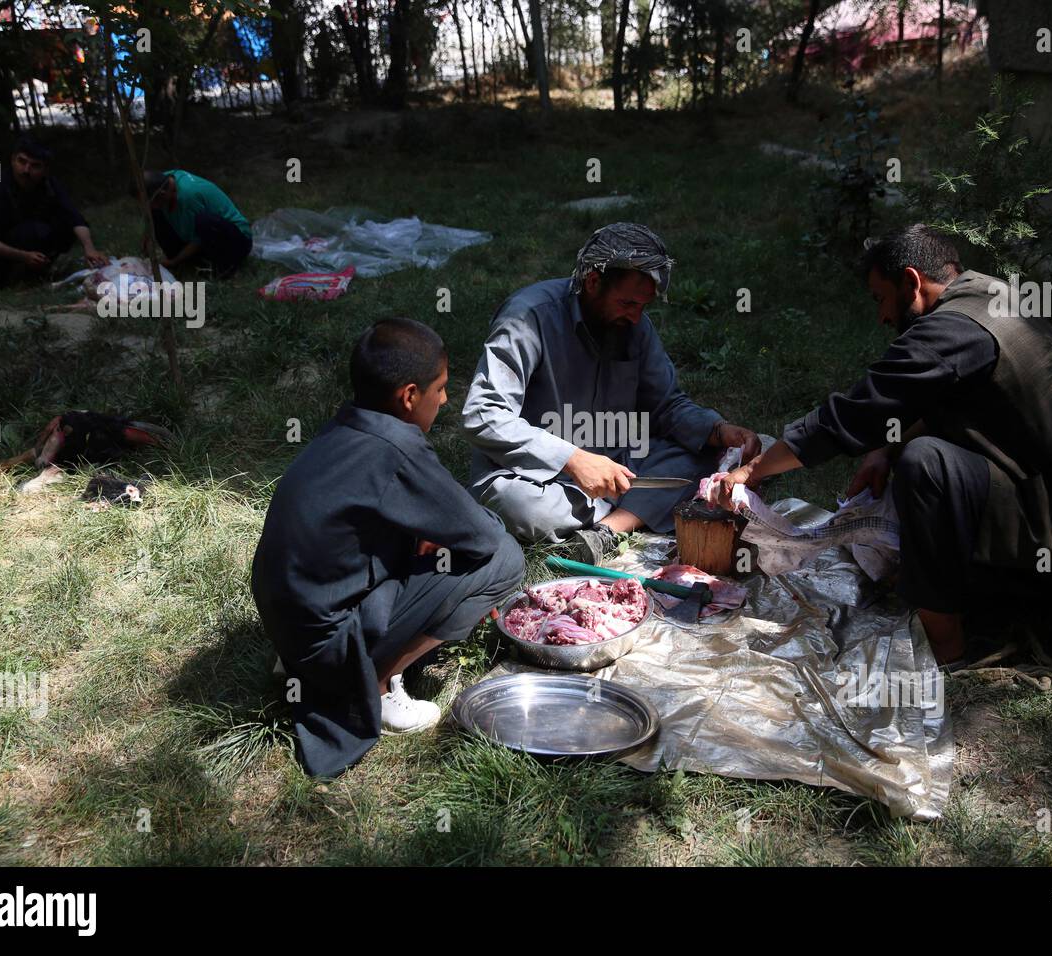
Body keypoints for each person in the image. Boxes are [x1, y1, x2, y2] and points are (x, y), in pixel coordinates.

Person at [717, 224, 1052, 666]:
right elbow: (939, 394)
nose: (881, 316)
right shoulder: (984, 291)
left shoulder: (951, 333)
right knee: (912, 453)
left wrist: (753, 470)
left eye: (881, 298)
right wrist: (882, 451)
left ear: (913, 281)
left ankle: (948, 646)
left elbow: (849, 416)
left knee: (925, 464)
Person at [251, 318, 525, 778]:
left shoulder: (347, 426)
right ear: (409, 396)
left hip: (290, 620)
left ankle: (316, 664)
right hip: (326, 641)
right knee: (505, 559)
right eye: (439, 389)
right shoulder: (398, 448)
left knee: (430, 541)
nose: (445, 398)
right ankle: (371, 687)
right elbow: (482, 535)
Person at [462, 222, 760, 563]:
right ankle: (633, 513)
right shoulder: (529, 317)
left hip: (620, 467)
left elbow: (666, 406)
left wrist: (718, 431)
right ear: (593, 283)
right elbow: (483, 415)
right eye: (628, 303)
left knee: (705, 456)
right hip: (538, 476)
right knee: (518, 505)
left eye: (643, 306)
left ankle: (610, 530)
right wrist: (572, 459)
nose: (636, 317)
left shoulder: (634, 325)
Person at [0, 136, 108, 287]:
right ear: (12, 160)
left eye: (35, 166)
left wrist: (90, 248)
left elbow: (73, 216)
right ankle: (17, 277)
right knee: (34, 231)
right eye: (22, 162)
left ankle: (38, 269)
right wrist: (23, 256)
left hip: (26, 243)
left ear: (45, 170)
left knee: (64, 224)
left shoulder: (48, 184)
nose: (26, 170)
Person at [131, 168, 252, 277]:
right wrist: (147, 235)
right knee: (155, 212)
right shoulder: (164, 180)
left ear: (162, 195)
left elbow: (198, 238)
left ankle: (226, 268)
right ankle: (187, 260)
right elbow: (150, 213)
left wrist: (175, 261)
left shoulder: (188, 196)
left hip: (235, 240)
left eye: (148, 202)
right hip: (202, 237)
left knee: (205, 221)